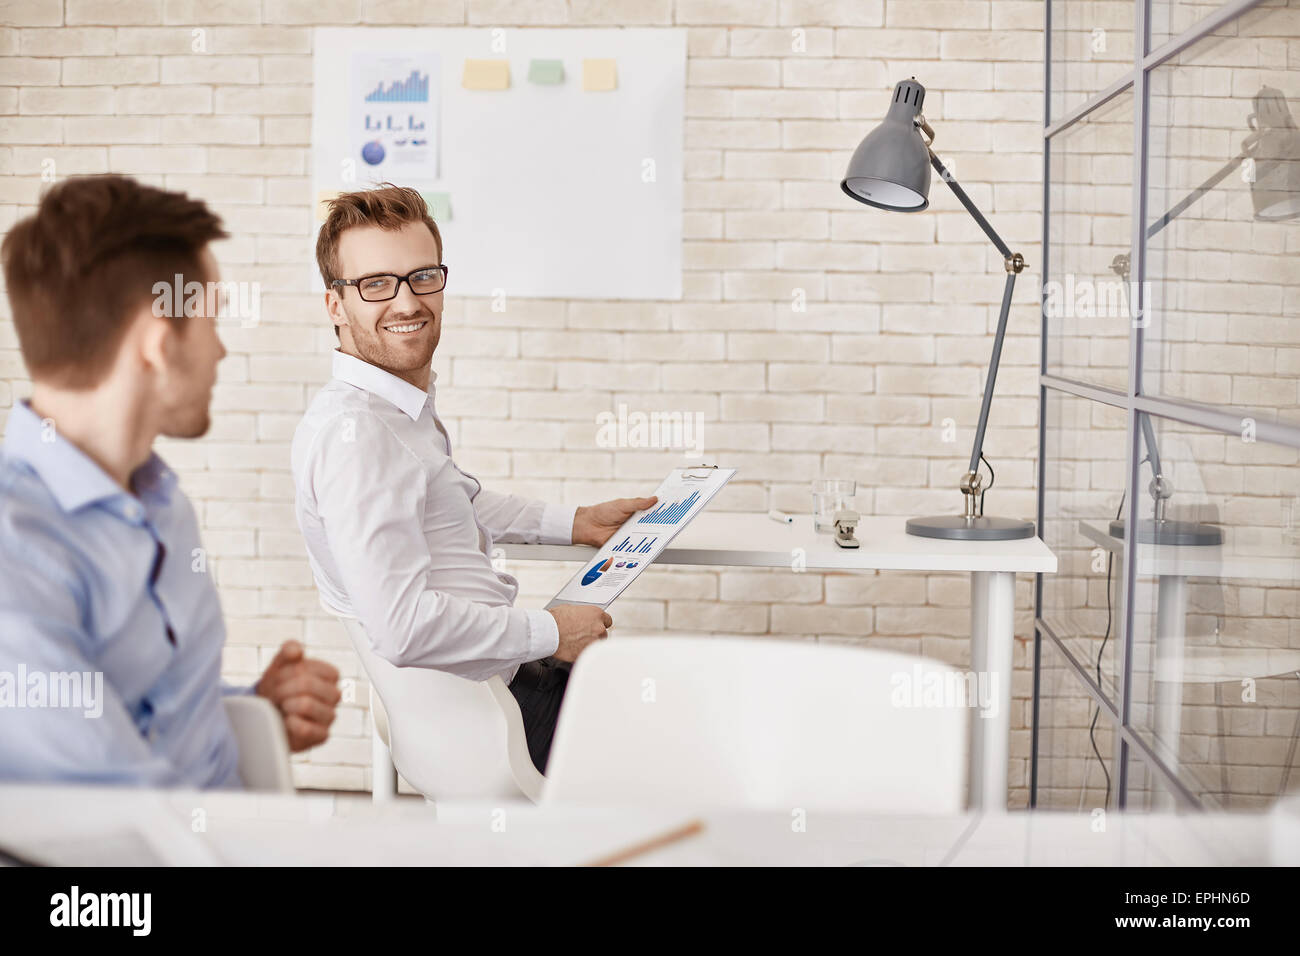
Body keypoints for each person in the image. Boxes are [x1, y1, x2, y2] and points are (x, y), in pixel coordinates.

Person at [293, 184, 655, 773]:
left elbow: (454, 502)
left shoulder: (390, 413)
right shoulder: (356, 438)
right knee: (698, 730)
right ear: (336, 304)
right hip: (499, 718)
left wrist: (577, 523)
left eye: (422, 276)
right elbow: (402, 628)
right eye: (376, 284)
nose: (406, 302)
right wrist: (550, 632)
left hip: (498, 687)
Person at [0, 174, 341, 787]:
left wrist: (249, 710)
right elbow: (119, 819)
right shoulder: (15, 549)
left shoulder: (157, 498)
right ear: (158, 344)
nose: (220, 352)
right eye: (211, 322)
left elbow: (136, 710)